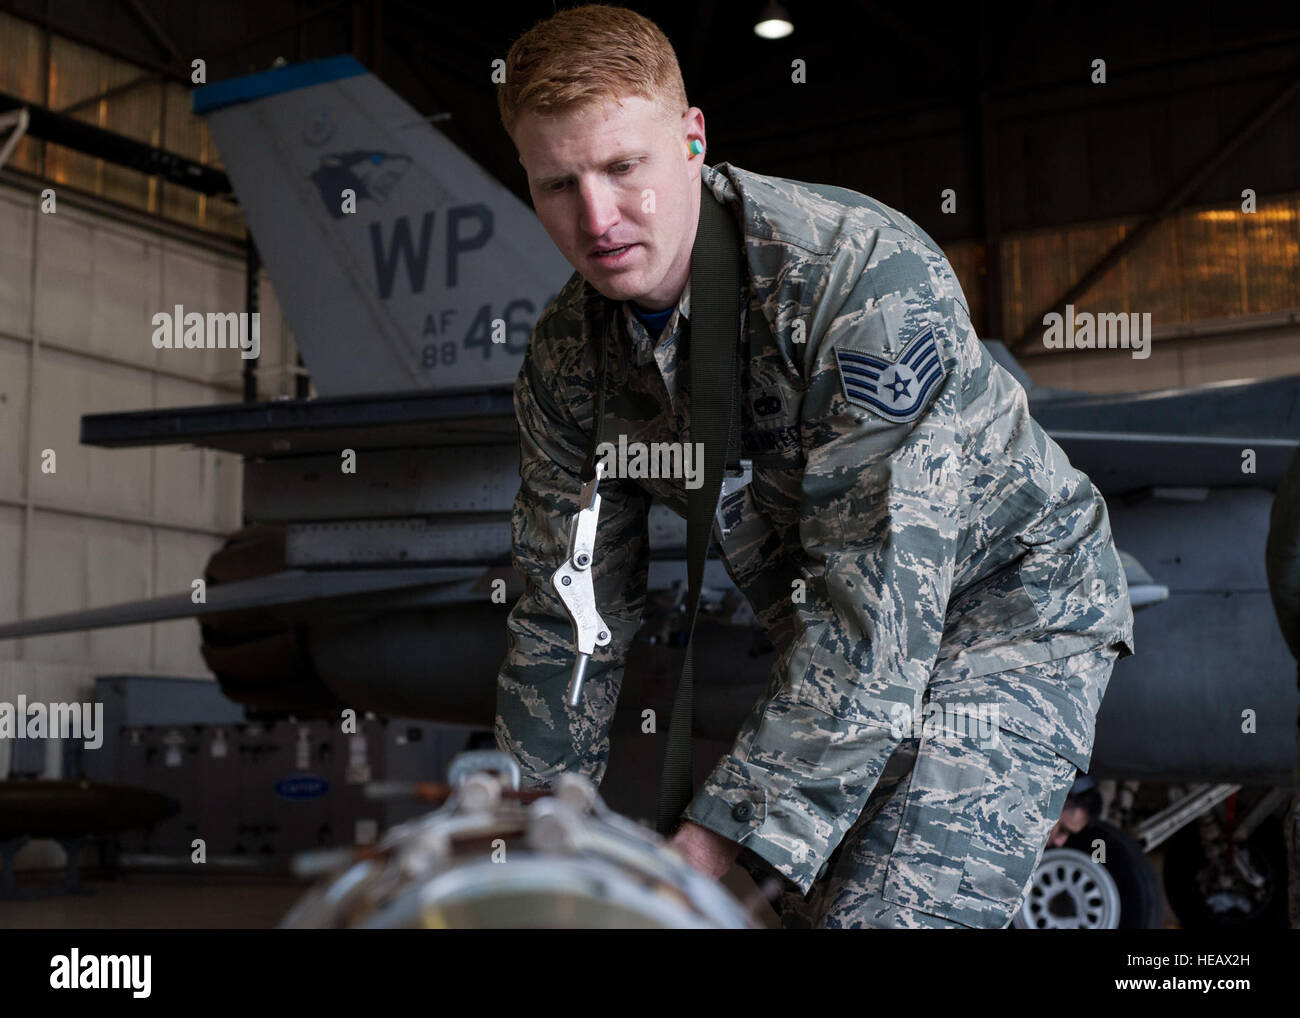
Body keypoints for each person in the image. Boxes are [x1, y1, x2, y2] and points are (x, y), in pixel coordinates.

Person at [493, 4, 1135, 928]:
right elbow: (568, 612)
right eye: (558, 184)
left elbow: (877, 613)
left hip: (1003, 613)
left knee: (882, 916)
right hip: (833, 644)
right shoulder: (568, 356)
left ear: (690, 139)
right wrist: (530, 845)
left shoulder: (858, 279)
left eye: (622, 168)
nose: (597, 219)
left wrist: (702, 850)